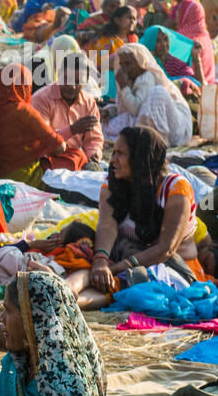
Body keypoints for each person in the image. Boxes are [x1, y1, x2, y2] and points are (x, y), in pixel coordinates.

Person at [77, 126, 206, 306]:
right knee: (80, 242)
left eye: (120, 154)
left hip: (170, 271)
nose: (112, 160)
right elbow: (107, 224)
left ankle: (73, 301)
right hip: (125, 257)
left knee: (130, 281)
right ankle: (66, 291)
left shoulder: (175, 189)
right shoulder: (114, 183)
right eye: (113, 152)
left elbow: (166, 249)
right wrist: (100, 261)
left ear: (140, 158)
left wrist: (116, 268)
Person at [0, 63, 84, 182]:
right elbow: (58, 146)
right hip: (19, 177)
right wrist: (40, 148)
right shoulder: (23, 111)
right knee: (76, 156)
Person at [107, 42, 193, 147]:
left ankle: (155, 143)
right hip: (144, 118)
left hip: (177, 129)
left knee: (158, 92)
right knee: (105, 122)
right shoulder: (129, 78)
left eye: (128, 64)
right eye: (122, 64)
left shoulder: (147, 77)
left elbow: (135, 110)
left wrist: (124, 87)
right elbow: (126, 109)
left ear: (140, 63)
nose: (124, 68)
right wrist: (109, 112)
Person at [30, 50, 104, 165]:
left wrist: (94, 154)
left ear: (87, 80)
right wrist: (72, 129)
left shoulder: (89, 102)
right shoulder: (41, 99)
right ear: (58, 74)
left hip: (75, 160)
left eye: (78, 81)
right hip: (46, 159)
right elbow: (42, 140)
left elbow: (93, 139)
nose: (72, 86)